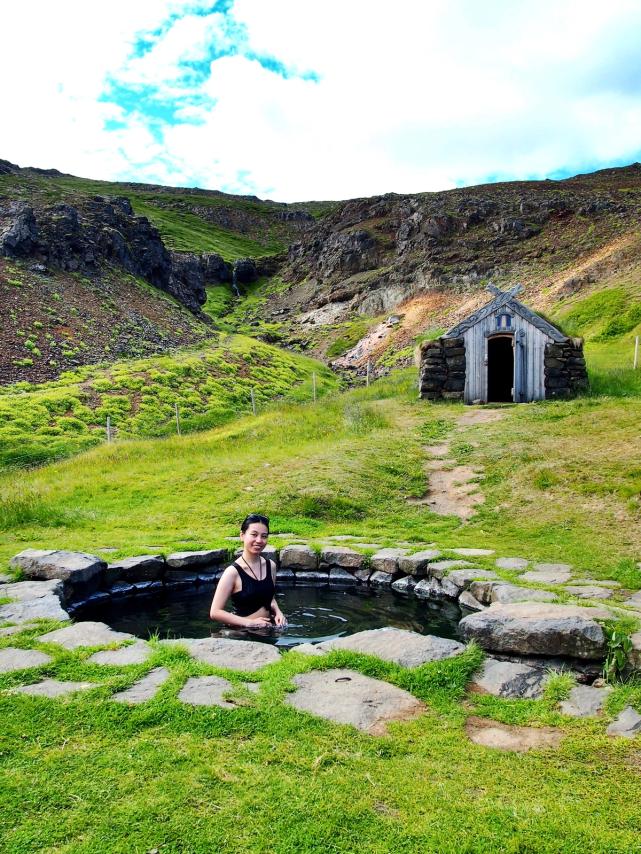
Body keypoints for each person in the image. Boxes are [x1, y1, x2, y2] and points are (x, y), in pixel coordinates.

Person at [210, 513, 287, 629]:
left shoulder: (270, 566)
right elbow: (215, 612)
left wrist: (278, 612)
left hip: (267, 629)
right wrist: (249, 623)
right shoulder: (232, 572)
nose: (259, 540)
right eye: (254, 535)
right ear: (242, 535)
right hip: (242, 633)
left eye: (264, 536)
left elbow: (268, 597)